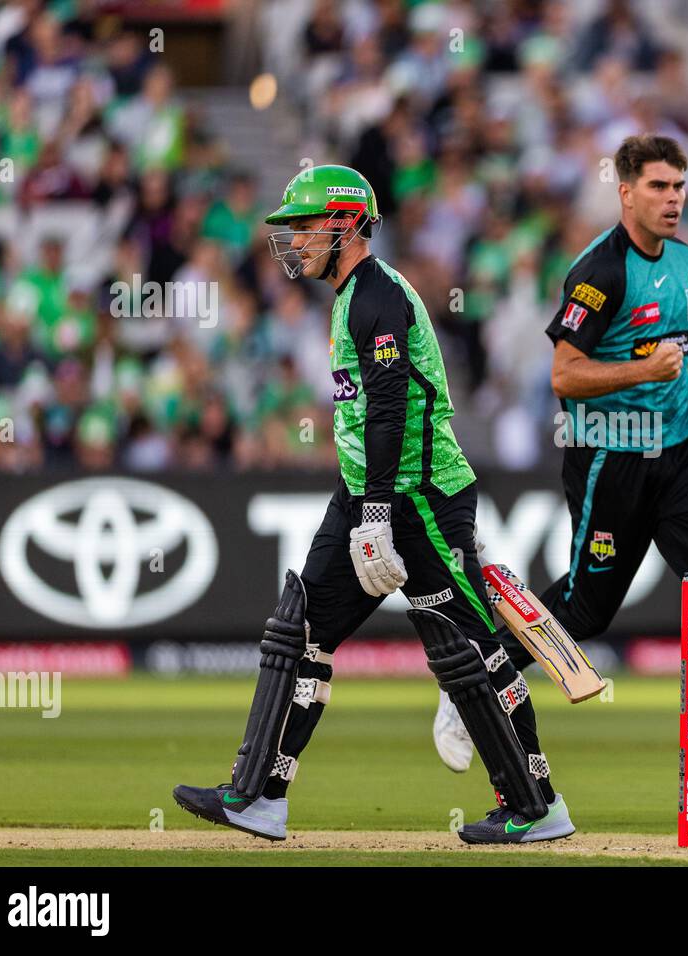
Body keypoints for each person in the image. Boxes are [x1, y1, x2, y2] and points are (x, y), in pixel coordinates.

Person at [174, 165, 573, 844]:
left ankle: (536, 805)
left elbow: (392, 411)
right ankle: (258, 795)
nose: (293, 241)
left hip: (417, 496)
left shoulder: (377, 296)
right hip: (366, 491)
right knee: (298, 631)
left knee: (469, 653)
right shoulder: (347, 298)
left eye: (303, 227)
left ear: (346, 225)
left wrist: (381, 513)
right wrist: (365, 505)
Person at [434, 136, 688, 804]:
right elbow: (565, 374)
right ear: (625, 191)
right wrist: (644, 370)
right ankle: (475, 677)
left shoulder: (687, 262)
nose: (673, 199)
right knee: (587, 610)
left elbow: (681, 346)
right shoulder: (600, 273)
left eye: (678, 186)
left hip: (678, 455)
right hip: (608, 461)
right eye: (658, 187)